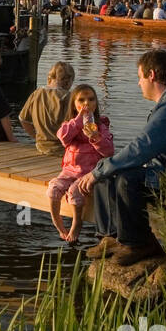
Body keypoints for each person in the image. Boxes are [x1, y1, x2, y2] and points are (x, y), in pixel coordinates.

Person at [75, 50, 166, 265]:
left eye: (139, 77)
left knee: (127, 179)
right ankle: (110, 237)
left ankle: (139, 243)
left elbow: (142, 147)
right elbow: (143, 149)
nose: (138, 83)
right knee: (107, 170)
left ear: (150, 75)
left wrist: (98, 171)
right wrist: (101, 170)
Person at [48, 84, 115, 242]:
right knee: (53, 188)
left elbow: (109, 151)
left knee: (74, 191)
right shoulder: (70, 125)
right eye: (81, 100)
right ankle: (56, 221)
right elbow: (63, 137)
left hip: (89, 172)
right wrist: (78, 120)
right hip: (69, 170)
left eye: (91, 99)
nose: (87, 104)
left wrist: (96, 137)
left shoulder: (100, 126)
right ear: (74, 104)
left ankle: (76, 222)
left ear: (96, 103)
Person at [19, 61, 75, 156]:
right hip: (62, 149)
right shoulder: (67, 96)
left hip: (41, 146)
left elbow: (23, 119)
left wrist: (36, 136)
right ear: (68, 81)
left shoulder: (36, 93)